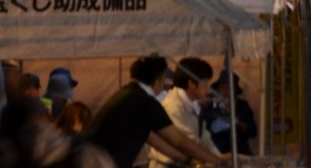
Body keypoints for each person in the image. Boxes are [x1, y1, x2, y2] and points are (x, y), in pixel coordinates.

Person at [85, 55, 230, 168]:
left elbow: (153, 139)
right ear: (157, 79)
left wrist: (189, 160)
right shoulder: (145, 102)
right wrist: (217, 161)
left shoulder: (128, 94)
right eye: (163, 78)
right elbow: (179, 141)